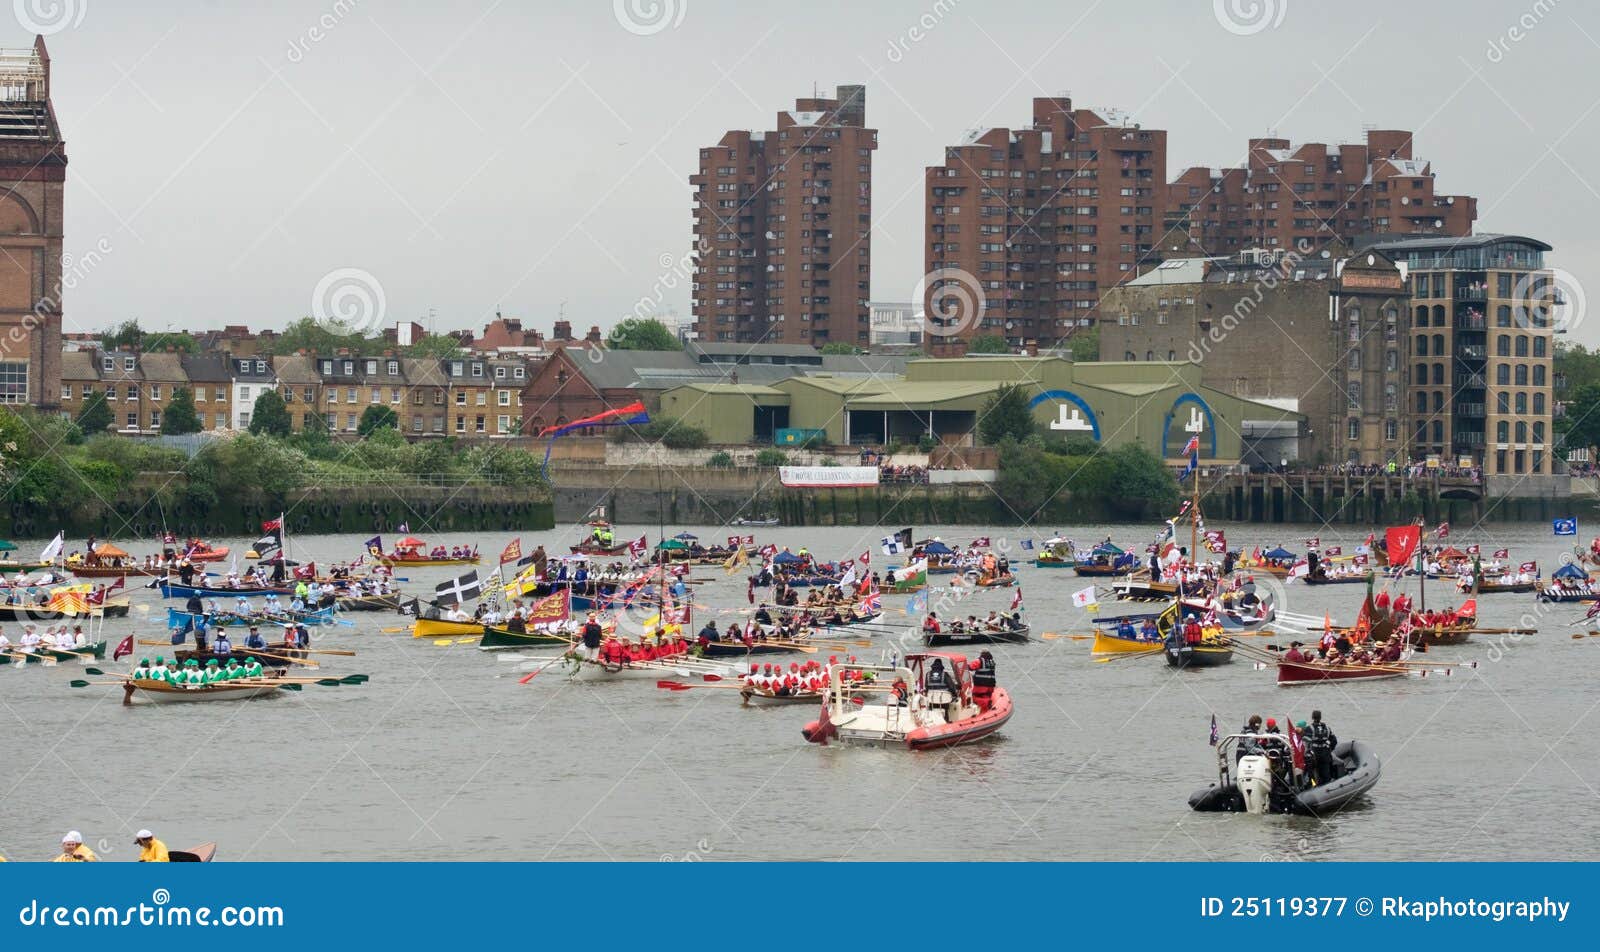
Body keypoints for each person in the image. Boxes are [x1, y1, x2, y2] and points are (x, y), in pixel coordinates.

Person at [1306, 710, 1337, 784]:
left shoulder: (1309, 728)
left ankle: (1313, 785)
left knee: (1312, 774)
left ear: (1312, 717)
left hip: (1314, 755)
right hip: (1325, 754)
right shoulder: (1327, 728)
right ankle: (1327, 785)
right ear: (1320, 717)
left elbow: (1304, 742)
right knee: (1326, 773)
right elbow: (1334, 741)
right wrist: (1330, 749)